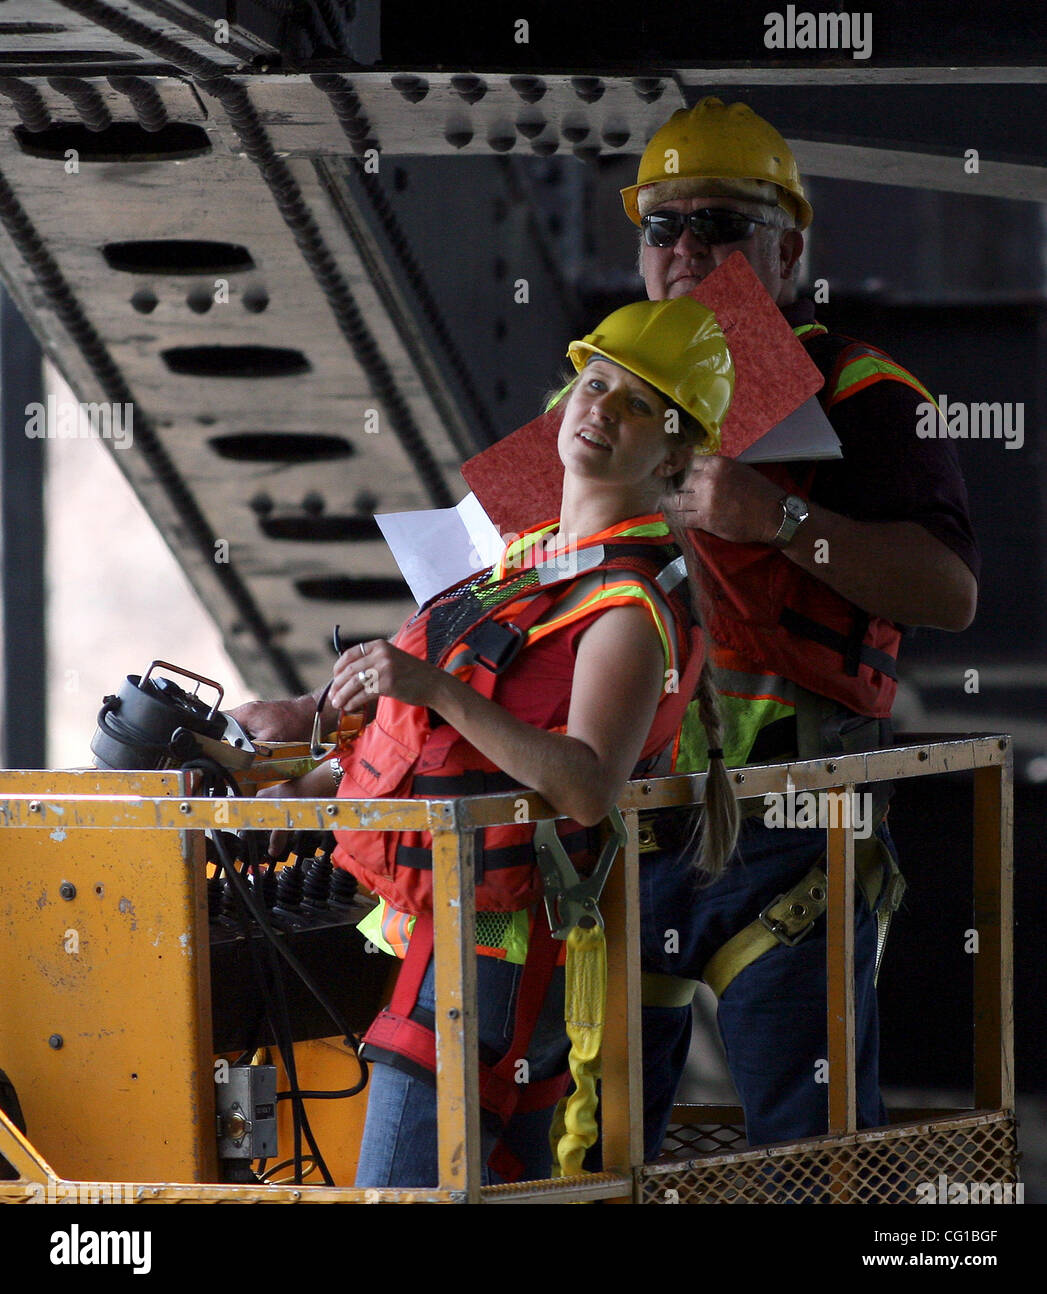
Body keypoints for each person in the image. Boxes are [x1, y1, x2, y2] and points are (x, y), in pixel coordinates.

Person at [255, 296, 739, 1186]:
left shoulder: (625, 610)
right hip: (452, 933)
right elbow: (442, 737)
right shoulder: (533, 561)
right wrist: (313, 759)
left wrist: (432, 685)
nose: (601, 410)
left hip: (502, 952)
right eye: (594, 384)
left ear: (674, 454)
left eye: (636, 404)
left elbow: (587, 784)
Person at [619, 97, 980, 1155]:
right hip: (624, 827)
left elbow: (949, 591)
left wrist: (778, 521)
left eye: (721, 224)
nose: (685, 248)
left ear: (789, 248)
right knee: (593, 1152)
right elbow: (479, 581)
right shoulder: (601, 396)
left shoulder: (863, 393)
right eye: (662, 225)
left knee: (807, 1163)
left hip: (789, 834)